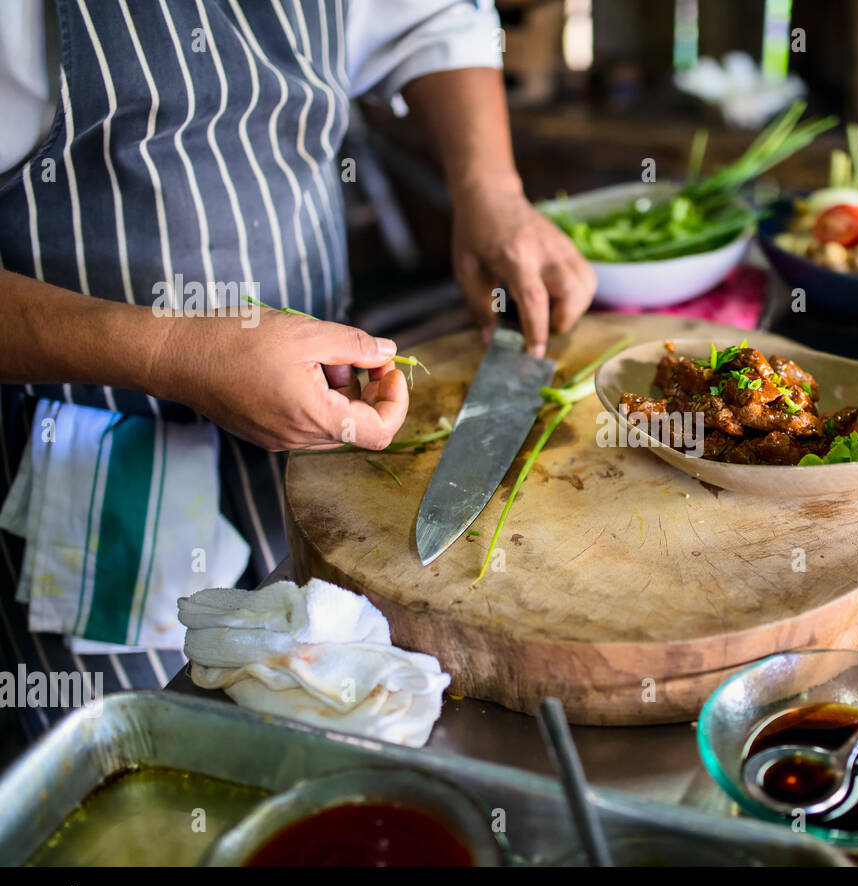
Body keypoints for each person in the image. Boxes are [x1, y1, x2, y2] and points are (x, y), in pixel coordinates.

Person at [0, 0, 595, 752]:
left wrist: (491, 190)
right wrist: (167, 354)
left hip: (329, 461)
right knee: (156, 780)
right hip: (96, 488)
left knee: (334, 747)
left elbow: (436, 16)